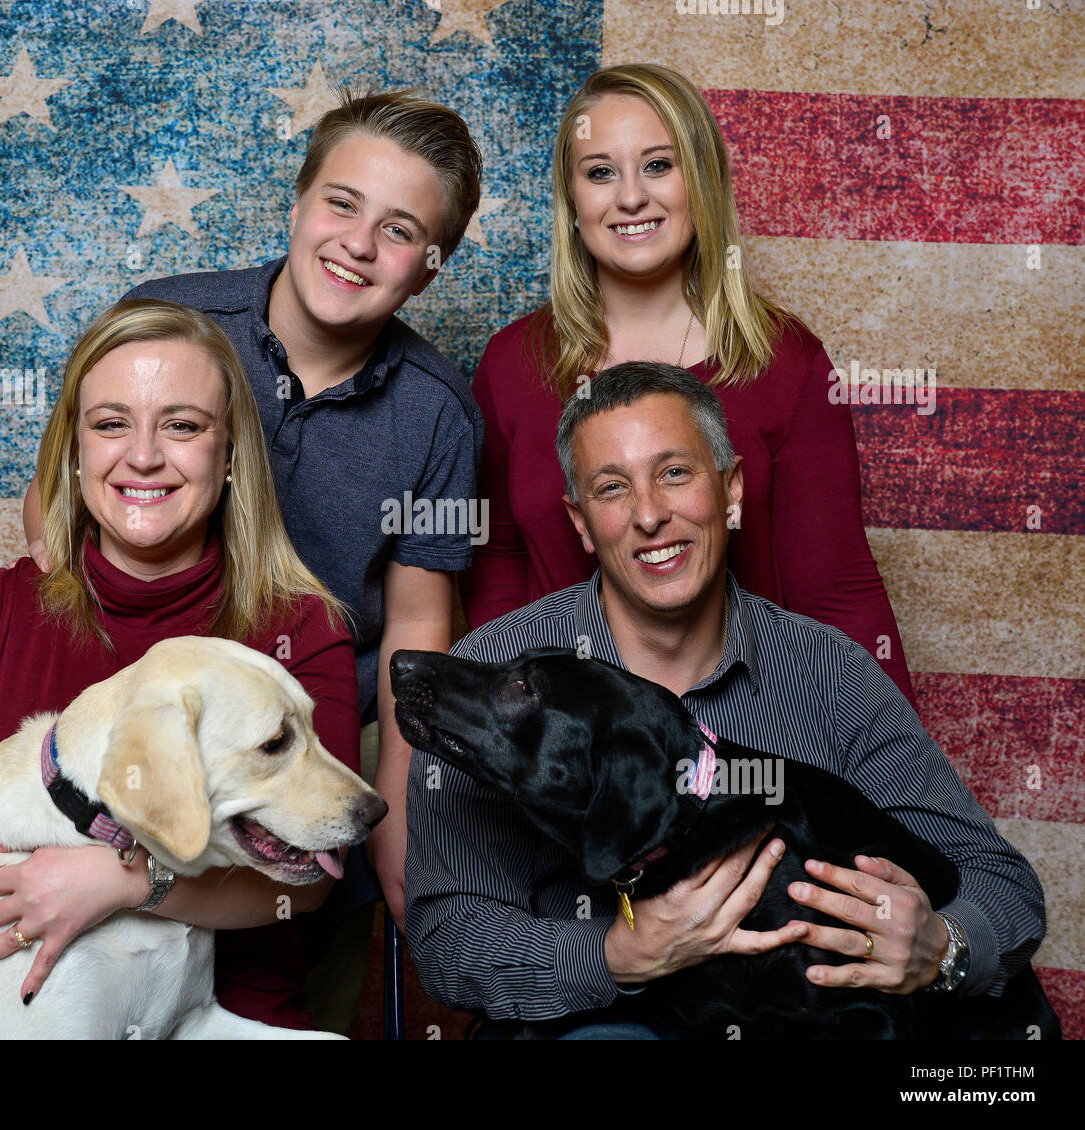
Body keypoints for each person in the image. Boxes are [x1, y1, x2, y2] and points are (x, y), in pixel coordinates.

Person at [406, 362, 1045, 1038]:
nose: (650, 515)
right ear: (582, 523)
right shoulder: (488, 677)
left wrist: (944, 946)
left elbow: (1003, 884)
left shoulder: (828, 672)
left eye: (675, 473)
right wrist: (618, 955)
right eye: (613, 488)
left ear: (732, 489)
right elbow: (448, 938)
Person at [0, 299, 361, 1030]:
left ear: (230, 456)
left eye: (182, 426)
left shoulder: (296, 629)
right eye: (111, 424)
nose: (144, 456)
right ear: (75, 453)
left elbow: (309, 874)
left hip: (223, 1010)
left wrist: (125, 883)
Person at [22, 90, 484, 931]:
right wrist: (112, 680)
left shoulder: (439, 414)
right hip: (144, 692)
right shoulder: (170, 321)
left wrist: (400, 820)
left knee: (301, 929)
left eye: (401, 229)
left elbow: (419, 631)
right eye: (342, 204)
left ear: (431, 266)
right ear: (299, 202)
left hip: (316, 715)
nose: (358, 243)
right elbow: (57, 500)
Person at [462, 62, 916, 705]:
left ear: (700, 180)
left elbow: (837, 586)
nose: (630, 198)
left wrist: (891, 777)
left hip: (750, 729)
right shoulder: (512, 364)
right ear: (572, 201)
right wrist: (513, 719)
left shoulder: (783, 360)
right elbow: (497, 565)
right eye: (600, 172)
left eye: (657, 165)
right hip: (571, 732)